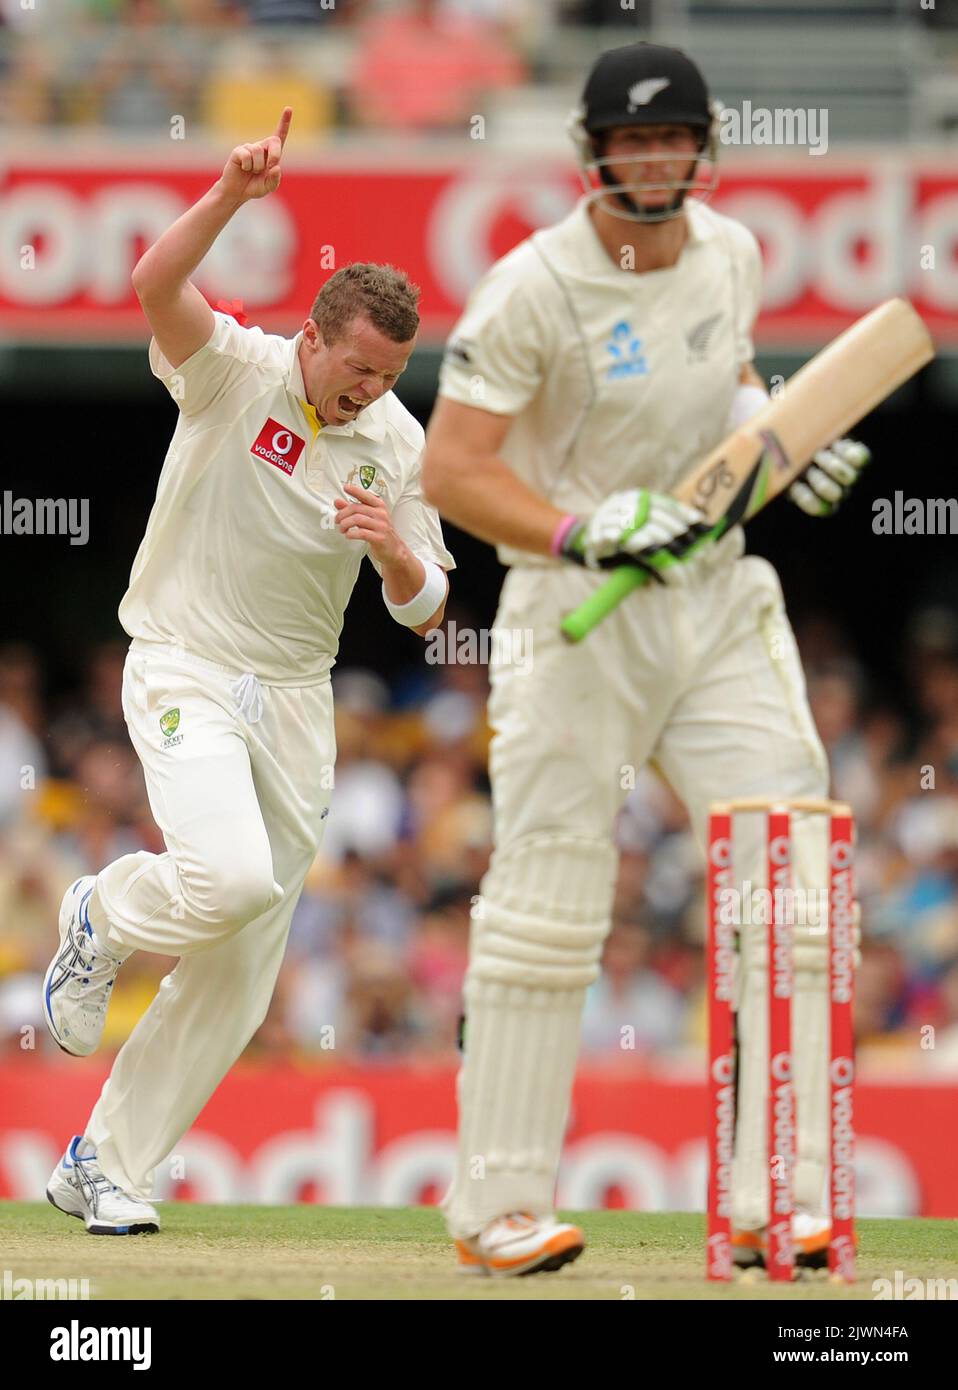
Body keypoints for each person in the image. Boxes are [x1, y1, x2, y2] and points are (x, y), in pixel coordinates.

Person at [423, 42, 868, 1277]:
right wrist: (580, 523)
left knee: (791, 877)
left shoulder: (733, 253)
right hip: (576, 609)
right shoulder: (531, 289)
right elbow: (451, 471)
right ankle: (496, 1207)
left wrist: (772, 435)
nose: (655, 159)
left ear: (702, 145)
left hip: (714, 597)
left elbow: (722, 379)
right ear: (592, 153)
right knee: (548, 907)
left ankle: (779, 1193)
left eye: (673, 138)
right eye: (631, 141)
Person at [42, 108, 454, 1234]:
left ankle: (104, 1164)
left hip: (297, 701)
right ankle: (103, 910)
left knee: (240, 962)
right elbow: (151, 282)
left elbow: (429, 611)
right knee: (220, 881)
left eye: (388, 376)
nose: (367, 391)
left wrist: (393, 548)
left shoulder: (398, 444)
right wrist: (228, 193)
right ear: (313, 338)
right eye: (357, 368)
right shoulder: (237, 369)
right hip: (184, 663)